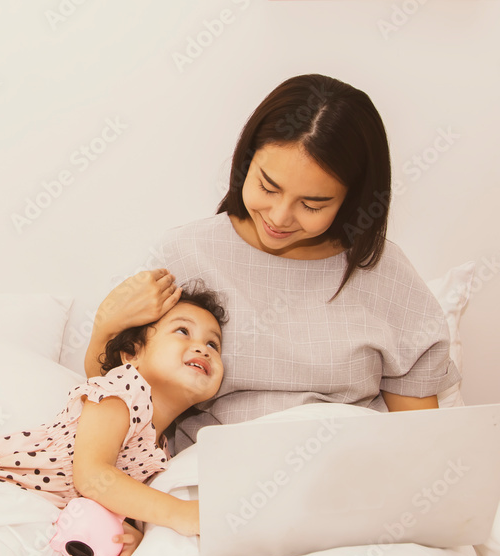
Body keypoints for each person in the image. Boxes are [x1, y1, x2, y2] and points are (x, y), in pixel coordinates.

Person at [85, 73, 460, 457]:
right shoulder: (184, 255)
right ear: (246, 161)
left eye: (312, 205)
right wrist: (105, 325)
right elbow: (111, 409)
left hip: (350, 468)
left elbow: (421, 438)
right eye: (267, 186)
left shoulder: (384, 272)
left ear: (352, 198)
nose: (279, 217)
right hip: (218, 470)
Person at [0, 282, 228, 556]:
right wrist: (180, 513)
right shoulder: (121, 391)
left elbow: (119, 500)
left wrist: (128, 534)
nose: (203, 348)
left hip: (46, 514)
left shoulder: (161, 450)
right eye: (183, 332)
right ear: (132, 353)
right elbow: (92, 476)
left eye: (213, 344)